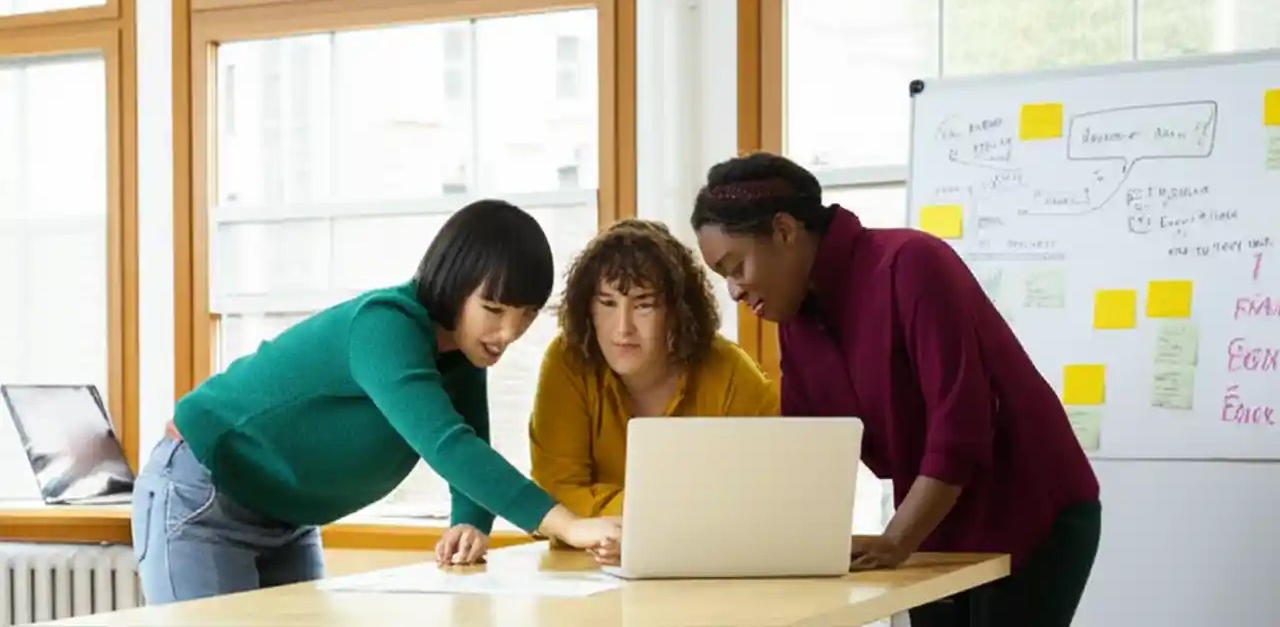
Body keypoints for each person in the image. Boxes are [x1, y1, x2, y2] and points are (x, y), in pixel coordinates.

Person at [131, 199, 621, 605]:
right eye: (493, 310)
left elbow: (470, 439)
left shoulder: (462, 355)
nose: (509, 333)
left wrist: (471, 522)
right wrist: (569, 524)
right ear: (453, 285)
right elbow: (448, 446)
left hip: (288, 518)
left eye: (526, 315)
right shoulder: (384, 326)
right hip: (204, 495)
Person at [689, 153, 1100, 627]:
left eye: (736, 266)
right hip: (937, 525)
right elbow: (808, 451)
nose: (735, 292)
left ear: (784, 231)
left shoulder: (910, 263)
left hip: (1033, 510)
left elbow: (961, 428)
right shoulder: (798, 318)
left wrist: (896, 540)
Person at [529, 219, 778, 563]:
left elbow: (768, 496)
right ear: (588, 308)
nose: (623, 328)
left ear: (678, 312)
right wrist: (678, 514)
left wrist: (640, 522)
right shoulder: (567, 362)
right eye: (607, 303)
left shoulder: (731, 372)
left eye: (644, 304)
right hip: (584, 572)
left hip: (704, 570)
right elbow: (552, 494)